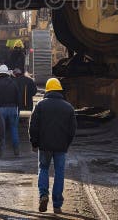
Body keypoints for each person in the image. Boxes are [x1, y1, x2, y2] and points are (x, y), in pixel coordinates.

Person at [29, 78, 76, 214]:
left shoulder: (40, 105)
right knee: (59, 172)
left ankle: (43, 195)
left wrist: (34, 142)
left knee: (43, 169)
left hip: (44, 146)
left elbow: (33, 126)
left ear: (48, 90)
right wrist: (66, 143)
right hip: (61, 146)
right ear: (59, 90)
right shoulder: (68, 107)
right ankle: (57, 204)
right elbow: (72, 129)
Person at [0, 65, 21, 155]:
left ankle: (0, 150)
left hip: (1, 109)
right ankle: (16, 150)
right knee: (14, 129)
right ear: (7, 73)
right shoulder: (14, 83)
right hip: (13, 108)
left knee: (1, 130)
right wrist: (18, 110)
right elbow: (18, 97)